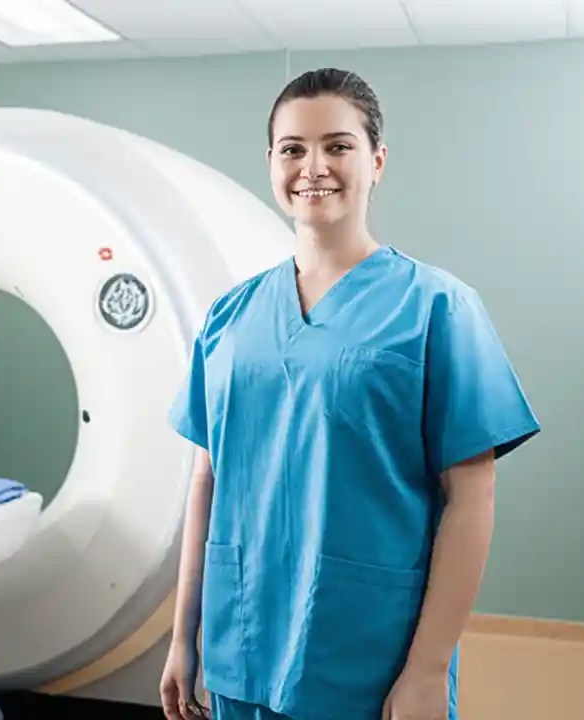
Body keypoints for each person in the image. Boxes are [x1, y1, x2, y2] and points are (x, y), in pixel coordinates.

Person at [158, 68, 540, 720]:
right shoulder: (230, 316)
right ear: (271, 162)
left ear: (377, 161)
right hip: (239, 644)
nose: (314, 166)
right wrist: (181, 637)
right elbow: (206, 481)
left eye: (338, 146)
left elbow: (472, 500)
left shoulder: (436, 307)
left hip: (367, 655)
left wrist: (428, 669)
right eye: (293, 148)